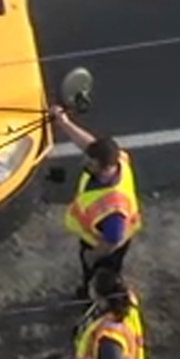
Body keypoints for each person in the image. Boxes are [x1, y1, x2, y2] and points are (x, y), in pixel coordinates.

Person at [49, 107, 142, 299]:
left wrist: (93, 256)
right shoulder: (118, 161)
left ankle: (91, 301)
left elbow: (113, 239)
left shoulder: (113, 208)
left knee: (100, 279)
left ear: (105, 167)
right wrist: (64, 123)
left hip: (103, 247)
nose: (85, 163)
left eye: (91, 162)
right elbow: (89, 145)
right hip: (98, 235)